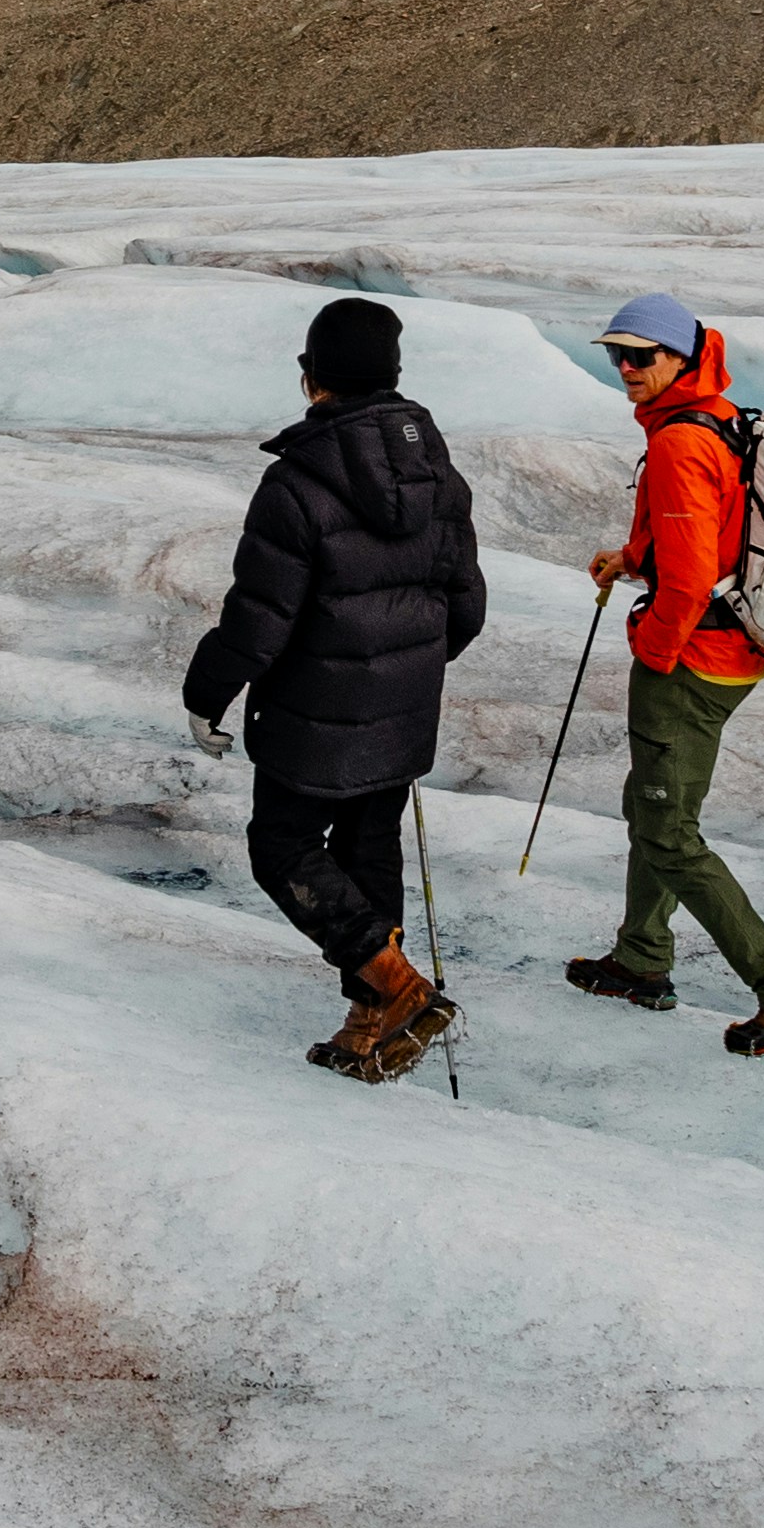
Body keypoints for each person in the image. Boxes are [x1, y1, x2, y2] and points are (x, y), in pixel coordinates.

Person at [178, 293, 483, 1082]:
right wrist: (405, 668)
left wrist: (205, 692)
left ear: (313, 378)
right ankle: (370, 1020)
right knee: (367, 848)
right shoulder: (438, 476)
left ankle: (398, 990)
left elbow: (259, 621)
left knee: (281, 847)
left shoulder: (295, 485)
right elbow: (466, 606)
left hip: (313, 718)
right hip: (401, 713)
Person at [574, 296, 764, 1056]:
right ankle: (640, 961)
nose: (625, 369)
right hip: (727, 653)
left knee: (669, 829)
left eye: (640, 356)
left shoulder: (679, 444)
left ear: (681, 359)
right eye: (614, 355)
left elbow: (689, 583)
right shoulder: (716, 417)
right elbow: (708, 540)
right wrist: (634, 558)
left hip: (692, 662)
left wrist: (655, 652)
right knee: (655, 807)